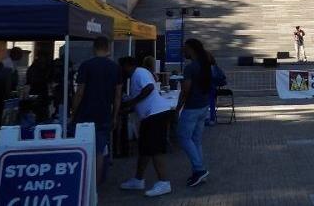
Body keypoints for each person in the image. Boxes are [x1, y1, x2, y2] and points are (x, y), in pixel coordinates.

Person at [119, 56, 175, 197]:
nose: (121, 71)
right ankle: (138, 179)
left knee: (155, 149)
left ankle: (164, 182)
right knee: (144, 148)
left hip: (156, 114)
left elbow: (149, 88)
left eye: (122, 67)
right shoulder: (137, 75)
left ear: (127, 65)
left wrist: (132, 102)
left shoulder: (139, 73)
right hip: (149, 116)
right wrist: (131, 106)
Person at [71, 37, 122, 185]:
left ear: (94, 48)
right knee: (99, 151)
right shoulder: (115, 67)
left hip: (85, 113)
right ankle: (95, 186)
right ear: (108, 48)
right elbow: (118, 95)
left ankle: (82, 184)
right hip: (104, 113)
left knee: (82, 148)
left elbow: (79, 92)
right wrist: (115, 116)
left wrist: (73, 113)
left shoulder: (86, 65)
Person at [176, 39, 213, 188]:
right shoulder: (205, 65)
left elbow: (185, 90)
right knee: (196, 140)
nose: (182, 52)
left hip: (192, 107)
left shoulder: (190, 68)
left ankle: (199, 169)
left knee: (183, 137)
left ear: (191, 49)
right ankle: (198, 171)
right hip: (203, 106)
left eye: (184, 49)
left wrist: (178, 108)